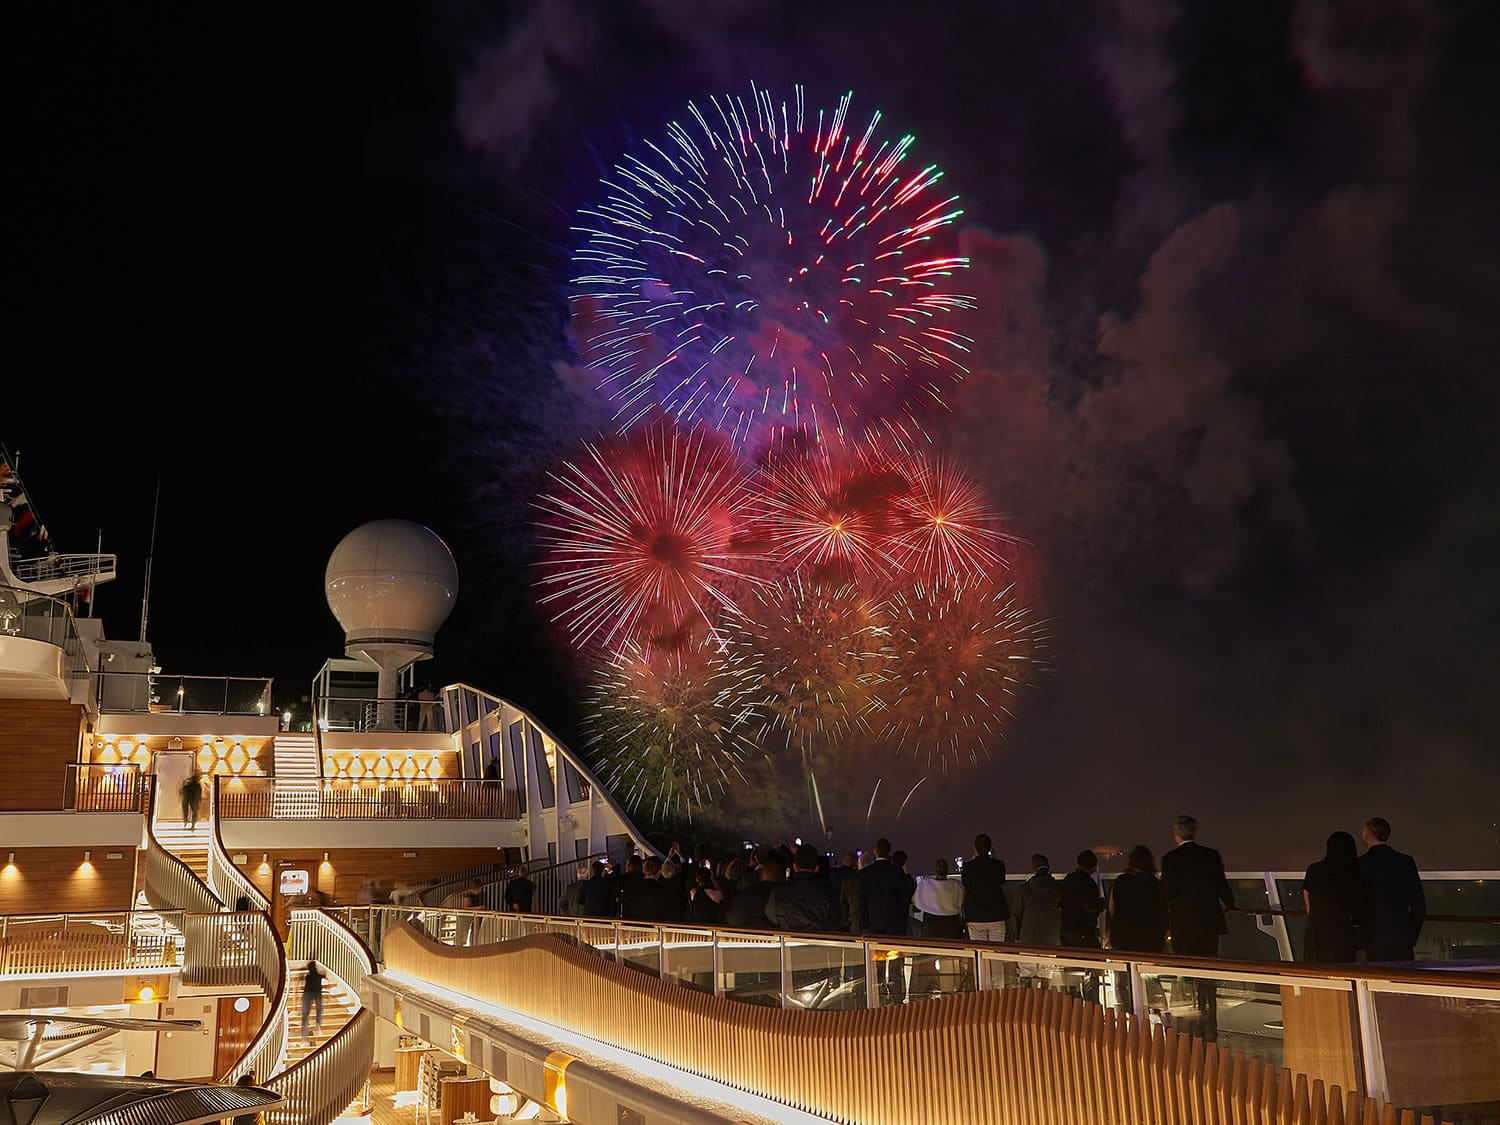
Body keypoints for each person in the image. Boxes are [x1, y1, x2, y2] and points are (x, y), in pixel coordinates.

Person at [1160, 815, 1234, 1039]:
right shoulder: (1211, 856)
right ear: (1194, 832)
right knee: (1208, 970)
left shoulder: (1170, 859)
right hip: (1209, 923)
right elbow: (1222, 885)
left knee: (1185, 972)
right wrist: (1231, 904)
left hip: (1182, 924)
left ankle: (1191, 1021)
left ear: (1176, 835)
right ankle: (1210, 1019)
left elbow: (1167, 893)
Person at [1358, 816, 1426, 961]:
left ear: (1367, 835)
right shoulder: (1405, 861)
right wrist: (1411, 935)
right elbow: (1418, 904)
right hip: (1401, 934)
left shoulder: (1361, 864)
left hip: (1374, 936)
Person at [1302, 831, 1370, 962]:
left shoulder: (1314, 870)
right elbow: (1359, 906)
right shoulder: (1354, 873)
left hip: (1316, 934)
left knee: (1316, 973)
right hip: (1342, 934)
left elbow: (1308, 902)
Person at [766, 844, 845, 932]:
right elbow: (836, 922)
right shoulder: (830, 893)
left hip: (786, 943)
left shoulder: (778, 892)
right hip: (820, 943)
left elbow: (771, 917)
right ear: (816, 868)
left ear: (794, 866)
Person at [1107, 845, 1168, 954]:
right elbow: (1162, 912)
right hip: (1150, 940)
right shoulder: (1154, 884)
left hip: (1123, 939)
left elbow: (1112, 910)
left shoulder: (1121, 881)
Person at [961, 833, 1009, 943]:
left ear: (975, 848)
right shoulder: (999, 865)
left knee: (979, 951)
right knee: (996, 952)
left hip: (975, 915)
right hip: (996, 914)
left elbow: (965, 884)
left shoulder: (968, 867)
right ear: (990, 848)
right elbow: (1001, 881)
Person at [1011, 854, 1063, 946]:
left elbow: (1016, 915)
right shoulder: (1058, 889)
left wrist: (1017, 936)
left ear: (1034, 869)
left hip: (1027, 939)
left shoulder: (1024, 890)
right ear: (1049, 868)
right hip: (1052, 940)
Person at [1059, 850, 1105, 948]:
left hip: (1066, 929)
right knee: (1094, 958)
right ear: (1093, 866)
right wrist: (1101, 904)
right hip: (1083, 930)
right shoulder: (1089, 883)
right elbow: (1091, 907)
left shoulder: (1068, 879)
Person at [912, 857, 965, 939]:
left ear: (935, 870)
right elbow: (962, 899)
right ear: (947, 870)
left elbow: (915, 901)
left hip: (930, 924)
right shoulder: (956, 885)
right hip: (951, 924)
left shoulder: (925, 884)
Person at [299, 960, 325, 1042]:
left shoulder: (308, 977)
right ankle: (317, 1026)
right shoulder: (318, 976)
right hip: (315, 992)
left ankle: (304, 1037)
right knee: (319, 1009)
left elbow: (299, 983)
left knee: (306, 1015)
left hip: (309, 993)